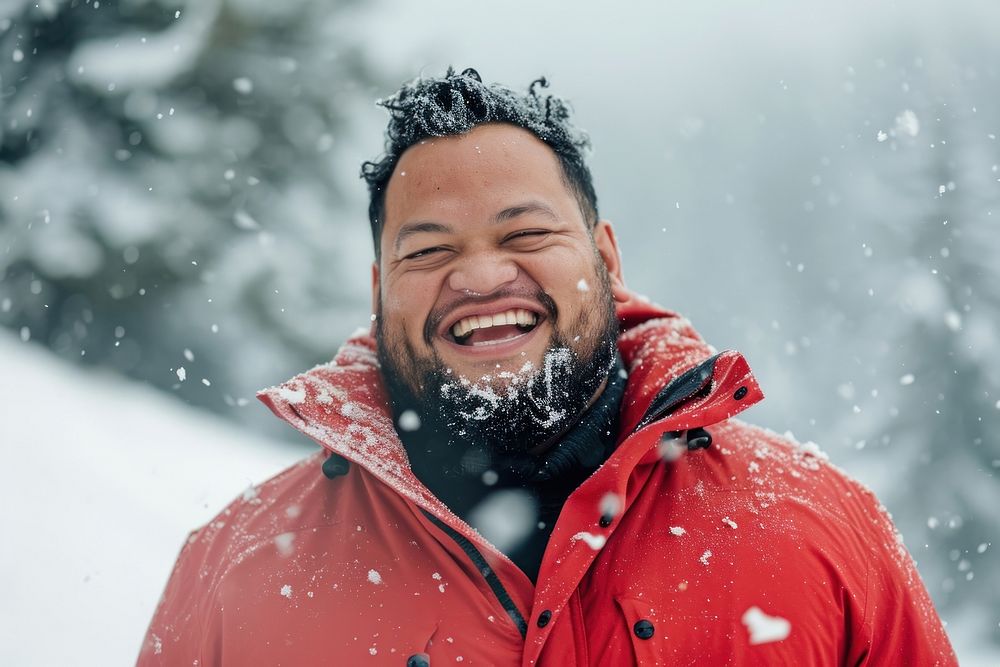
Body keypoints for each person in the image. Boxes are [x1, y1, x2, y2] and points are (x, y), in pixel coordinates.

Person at [139, 68, 957, 666]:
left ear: (605, 257)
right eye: (430, 249)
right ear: (380, 290)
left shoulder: (819, 530)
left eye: (525, 234)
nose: (482, 277)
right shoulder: (236, 569)